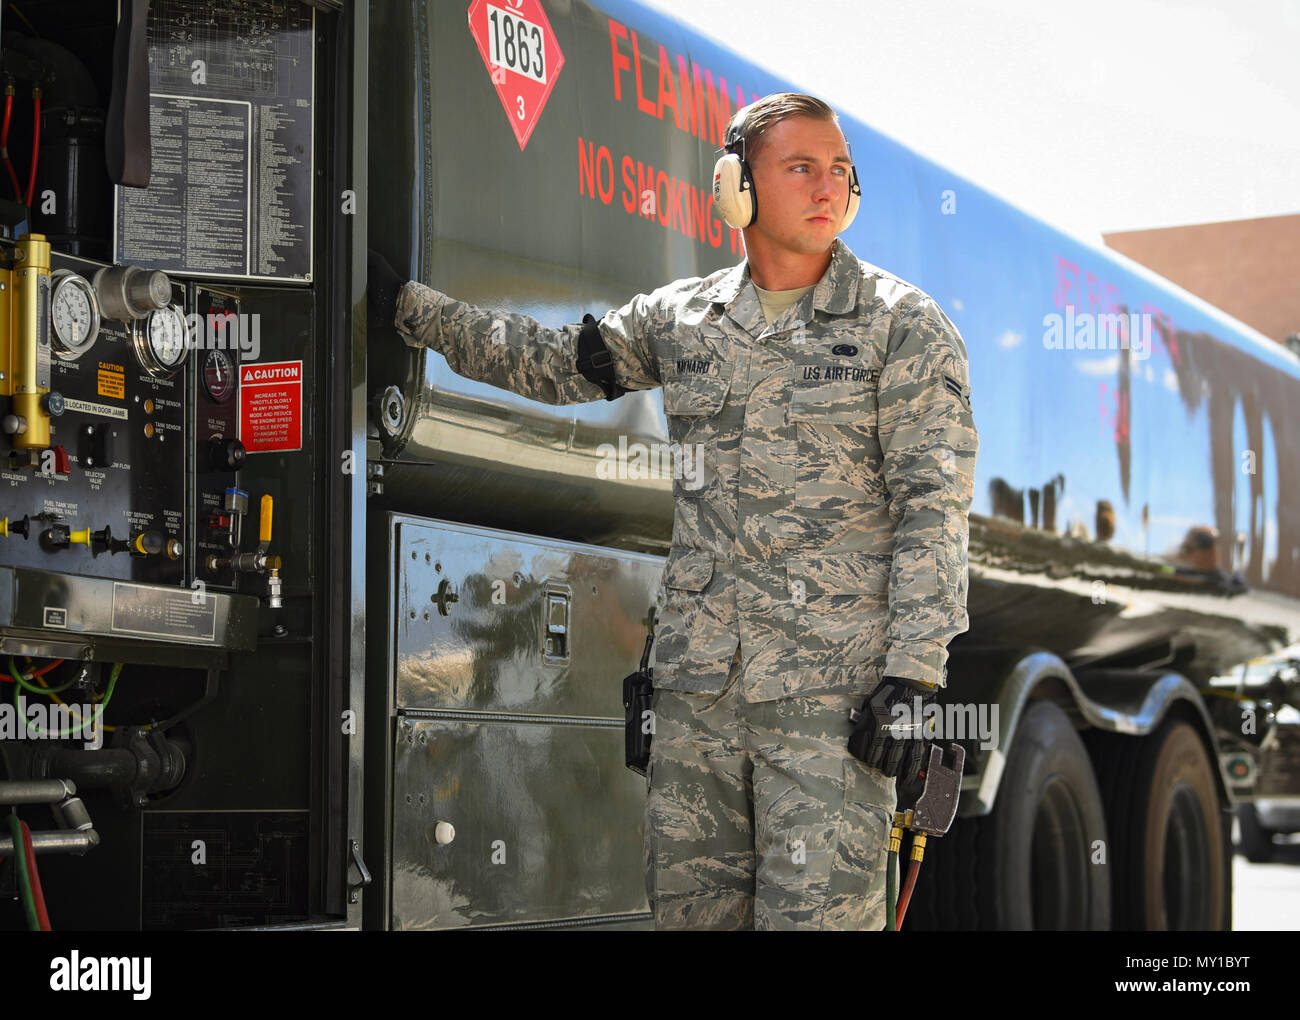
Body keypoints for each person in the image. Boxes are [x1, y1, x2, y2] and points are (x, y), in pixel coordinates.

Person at [368, 92, 978, 930]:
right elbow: (555, 367)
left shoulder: (902, 327)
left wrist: (915, 675)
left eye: (840, 170)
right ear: (736, 186)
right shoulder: (684, 318)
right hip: (697, 705)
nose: (827, 187)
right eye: (801, 167)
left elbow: (932, 505)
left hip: (827, 709)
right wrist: (414, 312)